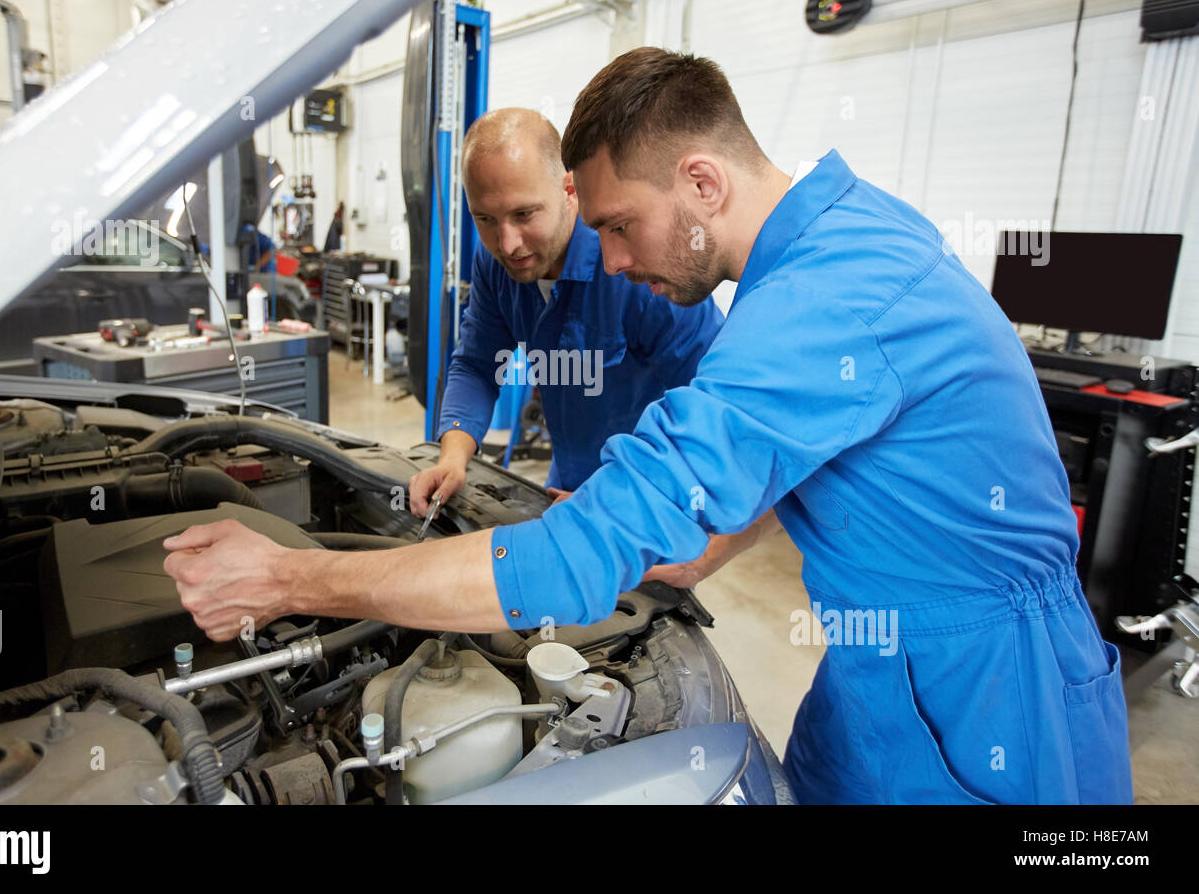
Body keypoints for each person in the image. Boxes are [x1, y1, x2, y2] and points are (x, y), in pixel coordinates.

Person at [163, 49, 1131, 804]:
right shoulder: (840, 236)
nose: (611, 256)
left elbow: (578, 556)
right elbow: (804, 449)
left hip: (991, 695)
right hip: (878, 669)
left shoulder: (824, 303)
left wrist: (292, 577)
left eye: (620, 223)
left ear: (702, 183)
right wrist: (695, 533)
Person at [406, 107, 727, 524]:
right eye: (485, 219)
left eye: (524, 214)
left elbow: (711, 402)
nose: (507, 244)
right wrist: (452, 454)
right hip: (565, 486)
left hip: (650, 498)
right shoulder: (493, 266)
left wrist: (621, 494)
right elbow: (476, 363)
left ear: (569, 190)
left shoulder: (636, 266)